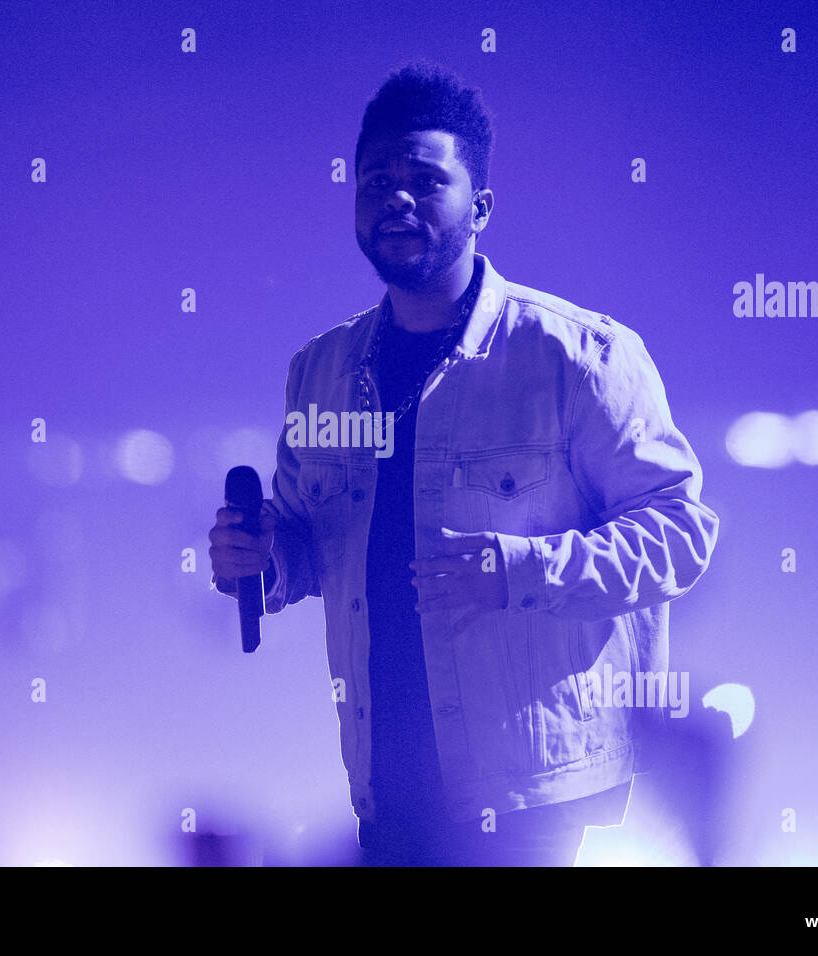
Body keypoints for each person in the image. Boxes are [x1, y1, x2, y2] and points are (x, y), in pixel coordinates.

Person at [209, 60, 719, 866]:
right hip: (384, 790)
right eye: (374, 180)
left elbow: (681, 533)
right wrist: (261, 561)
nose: (395, 198)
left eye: (423, 178)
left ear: (481, 206)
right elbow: (307, 540)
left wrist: (519, 570)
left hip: (529, 798)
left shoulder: (575, 356)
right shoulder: (320, 371)